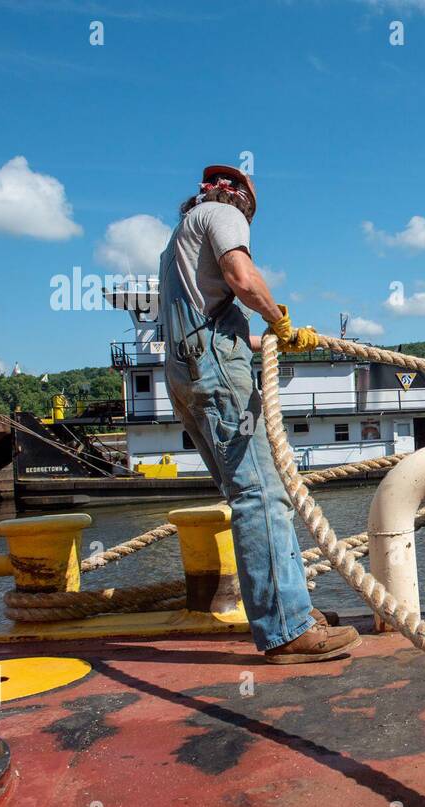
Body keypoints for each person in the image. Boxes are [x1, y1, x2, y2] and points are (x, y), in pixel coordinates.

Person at [157, 165, 361, 663]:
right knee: (264, 495)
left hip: (185, 373)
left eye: (230, 184)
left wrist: (271, 340)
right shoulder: (222, 216)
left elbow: (210, 323)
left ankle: (292, 610)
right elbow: (241, 278)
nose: (225, 189)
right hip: (215, 372)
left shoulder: (175, 244)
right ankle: (286, 630)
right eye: (222, 184)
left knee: (252, 493)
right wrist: (279, 319)